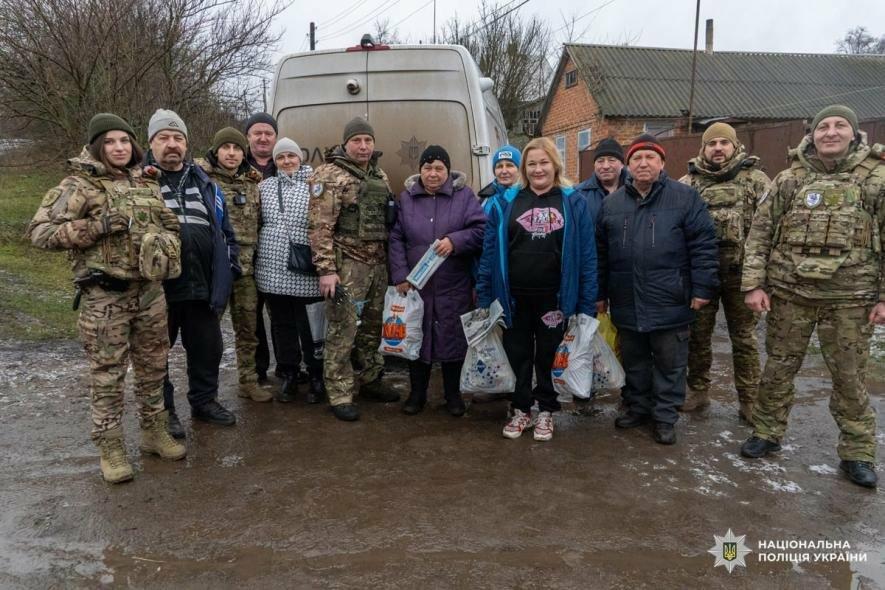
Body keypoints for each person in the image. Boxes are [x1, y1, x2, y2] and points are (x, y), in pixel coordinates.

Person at [27, 113, 186, 483]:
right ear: (98, 145)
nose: (119, 148)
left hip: (149, 293)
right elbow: (38, 232)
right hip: (105, 296)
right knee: (108, 374)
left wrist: (167, 241)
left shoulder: (145, 181)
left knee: (153, 367)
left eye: (125, 141)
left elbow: (167, 221)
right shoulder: (79, 185)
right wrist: (93, 227)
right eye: (111, 141)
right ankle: (110, 445)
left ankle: (153, 430)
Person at [739, 105, 884, 489]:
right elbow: (760, 234)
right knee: (778, 369)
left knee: (850, 378)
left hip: (851, 299)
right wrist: (754, 284)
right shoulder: (789, 179)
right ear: (812, 134)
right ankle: (766, 433)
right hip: (791, 294)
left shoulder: (876, 180)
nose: (831, 132)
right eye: (823, 126)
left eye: (839, 126)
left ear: (854, 134)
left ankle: (857, 452)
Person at [596, 134, 718, 445]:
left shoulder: (684, 198)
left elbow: (703, 246)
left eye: (650, 157)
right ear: (628, 165)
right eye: (637, 158)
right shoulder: (611, 204)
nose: (643, 163)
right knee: (635, 360)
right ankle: (639, 408)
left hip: (671, 299)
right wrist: (599, 293)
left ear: (662, 163)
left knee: (670, 362)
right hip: (627, 299)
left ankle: (665, 417)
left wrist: (702, 288)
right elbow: (600, 253)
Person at [476, 137, 598, 441]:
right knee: (517, 355)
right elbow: (489, 253)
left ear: (554, 164)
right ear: (523, 169)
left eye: (544, 162)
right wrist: (484, 296)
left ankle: (546, 410)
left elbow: (587, 255)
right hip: (514, 298)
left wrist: (586, 303)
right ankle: (521, 410)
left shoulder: (573, 201)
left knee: (547, 355)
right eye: (531, 164)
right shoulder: (506, 202)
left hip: (554, 299)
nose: (538, 169)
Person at [146, 109, 240, 437]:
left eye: (178, 139)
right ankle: (165, 411)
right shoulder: (139, 182)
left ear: (186, 144)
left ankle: (204, 402)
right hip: (158, 289)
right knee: (156, 354)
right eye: (164, 138)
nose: (172, 145)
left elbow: (225, 233)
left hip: (202, 284)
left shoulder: (206, 184)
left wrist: (229, 267)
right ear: (151, 143)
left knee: (208, 348)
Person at [308, 117, 400, 421]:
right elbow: (320, 227)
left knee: (373, 329)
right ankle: (339, 392)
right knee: (342, 328)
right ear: (346, 143)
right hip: (347, 265)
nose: (363, 146)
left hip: (377, 264)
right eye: (357, 140)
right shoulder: (329, 174)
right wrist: (325, 269)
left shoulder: (379, 174)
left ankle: (371, 379)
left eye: (368, 140)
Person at [679, 123, 770, 420]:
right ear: (703, 149)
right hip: (701, 275)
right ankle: (697, 390)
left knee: (743, 339)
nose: (718, 148)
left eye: (724, 142)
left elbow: (768, 229)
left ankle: (750, 399)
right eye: (712, 143)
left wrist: (761, 279)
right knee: (698, 336)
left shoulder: (755, 180)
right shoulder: (688, 183)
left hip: (742, 275)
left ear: (735, 146)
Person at [389, 145, 486, 416]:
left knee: (452, 339)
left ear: (448, 170)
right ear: (420, 170)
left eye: (439, 168)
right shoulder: (406, 199)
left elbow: (481, 230)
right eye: (427, 167)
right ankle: (416, 395)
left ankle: (453, 396)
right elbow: (396, 237)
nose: (433, 173)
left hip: (452, 284)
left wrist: (455, 241)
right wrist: (399, 275)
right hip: (416, 287)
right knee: (416, 339)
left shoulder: (464, 196)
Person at [196, 127, 271, 403]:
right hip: (214, 269)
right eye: (226, 148)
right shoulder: (201, 178)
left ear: (244, 152)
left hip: (245, 269)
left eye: (237, 148)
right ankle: (206, 391)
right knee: (208, 332)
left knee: (248, 329)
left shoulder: (253, 183)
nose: (231, 153)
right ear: (216, 151)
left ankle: (248, 381)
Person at [255, 138, 325, 403]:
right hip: (271, 271)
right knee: (283, 326)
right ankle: (290, 374)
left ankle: (317, 376)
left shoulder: (315, 184)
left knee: (311, 327)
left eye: (291, 156)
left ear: (300, 158)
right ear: (275, 161)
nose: (286, 161)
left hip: (305, 269)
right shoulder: (264, 187)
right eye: (281, 157)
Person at [244, 112, 282, 384]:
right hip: (246, 254)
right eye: (257, 132)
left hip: (277, 255)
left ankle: (286, 367)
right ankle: (257, 370)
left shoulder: (285, 164)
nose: (263, 137)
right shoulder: (235, 164)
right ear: (248, 137)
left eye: (268, 133)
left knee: (280, 314)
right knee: (250, 315)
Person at [573, 137, 628, 223]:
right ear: (594, 165)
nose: (605, 166)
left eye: (611, 160)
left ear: (621, 164)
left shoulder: (635, 190)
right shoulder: (579, 194)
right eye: (600, 161)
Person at [477, 145, 522, 213]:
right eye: (499, 166)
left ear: (520, 170)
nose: (504, 171)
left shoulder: (529, 195)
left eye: (509, 165)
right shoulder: (485, 200)